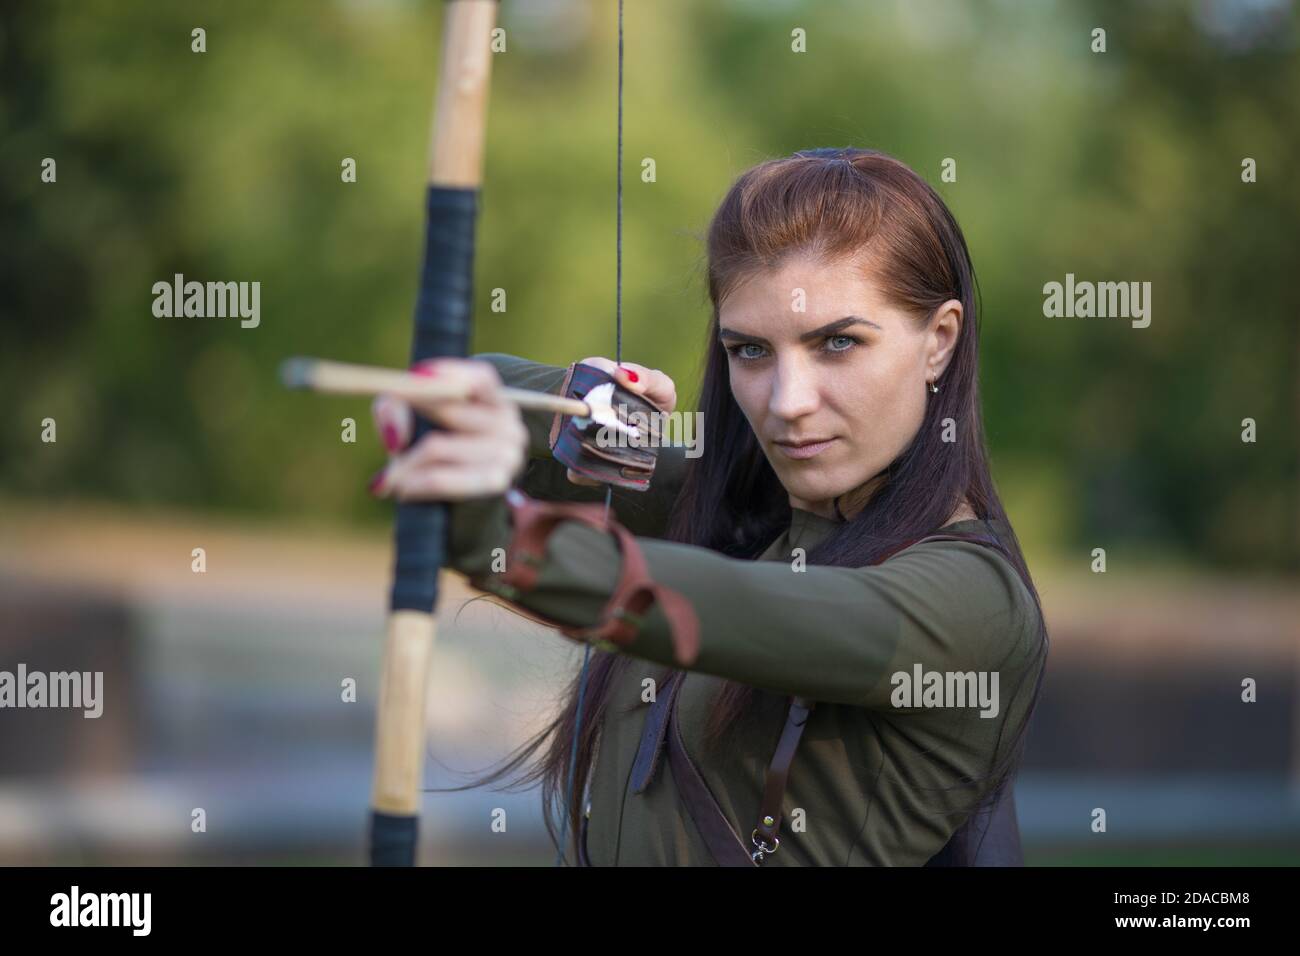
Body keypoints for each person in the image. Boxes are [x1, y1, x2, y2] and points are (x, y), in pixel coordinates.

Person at [368, 147, 1049, 866]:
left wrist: (501, 539)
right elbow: (449, 394)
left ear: (939, 340)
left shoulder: (976, 602)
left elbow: (737, 607)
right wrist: (579, 405)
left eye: (838, 343)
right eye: (751, 351)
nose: (787, 402)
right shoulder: (737, 509)